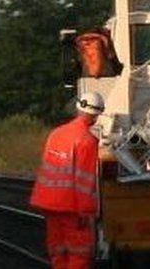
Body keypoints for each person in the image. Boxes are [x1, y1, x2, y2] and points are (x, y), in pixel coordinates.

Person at [29, 91, 104, 269]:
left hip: (48, 203)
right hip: (71, 207)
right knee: (78, 253)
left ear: (79, 108)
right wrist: (85, 212)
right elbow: (84, 182)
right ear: (96, 115)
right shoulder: (87, 141)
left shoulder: (56, 133)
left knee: (57, 249)